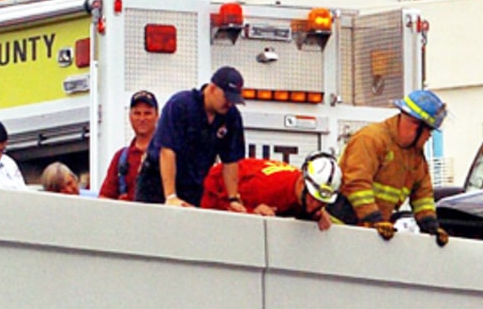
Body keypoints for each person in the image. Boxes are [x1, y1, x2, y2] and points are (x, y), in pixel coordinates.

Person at [326, 89, 450, 246]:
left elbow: (422, 194)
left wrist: (431, 226)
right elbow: (356, 184)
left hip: (371, 228)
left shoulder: (415, 155)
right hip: (341, 226)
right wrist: (373, 219)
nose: (429, 136)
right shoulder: (371, 139)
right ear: (416, 125)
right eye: (429, 130)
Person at [134, 66, 247, 210]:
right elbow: (167, 151)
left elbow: (231, 161)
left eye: (233, 100)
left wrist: (233, 199)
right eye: (226, 98)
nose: (229, 103)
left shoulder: (231, 117)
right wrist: (171, 197)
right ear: (212, 89)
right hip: (157, 180)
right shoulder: (181, 105)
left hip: (192, 184)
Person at [201, 152, 341, 231]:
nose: (314, 206)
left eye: (321, 203)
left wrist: (317, 215)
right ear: (302, 183)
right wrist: (251, 213)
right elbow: (221, 201)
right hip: (212, 188)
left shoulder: (301, 193)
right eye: (312, 199)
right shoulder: (266, 188)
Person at [97, 89, 159, 200]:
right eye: (137, 113)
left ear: (157, 116)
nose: (142, 118)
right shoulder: (120, 158)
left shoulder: (167, 153)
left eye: (147, 113)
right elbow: (104, 199)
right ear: (130, 117)